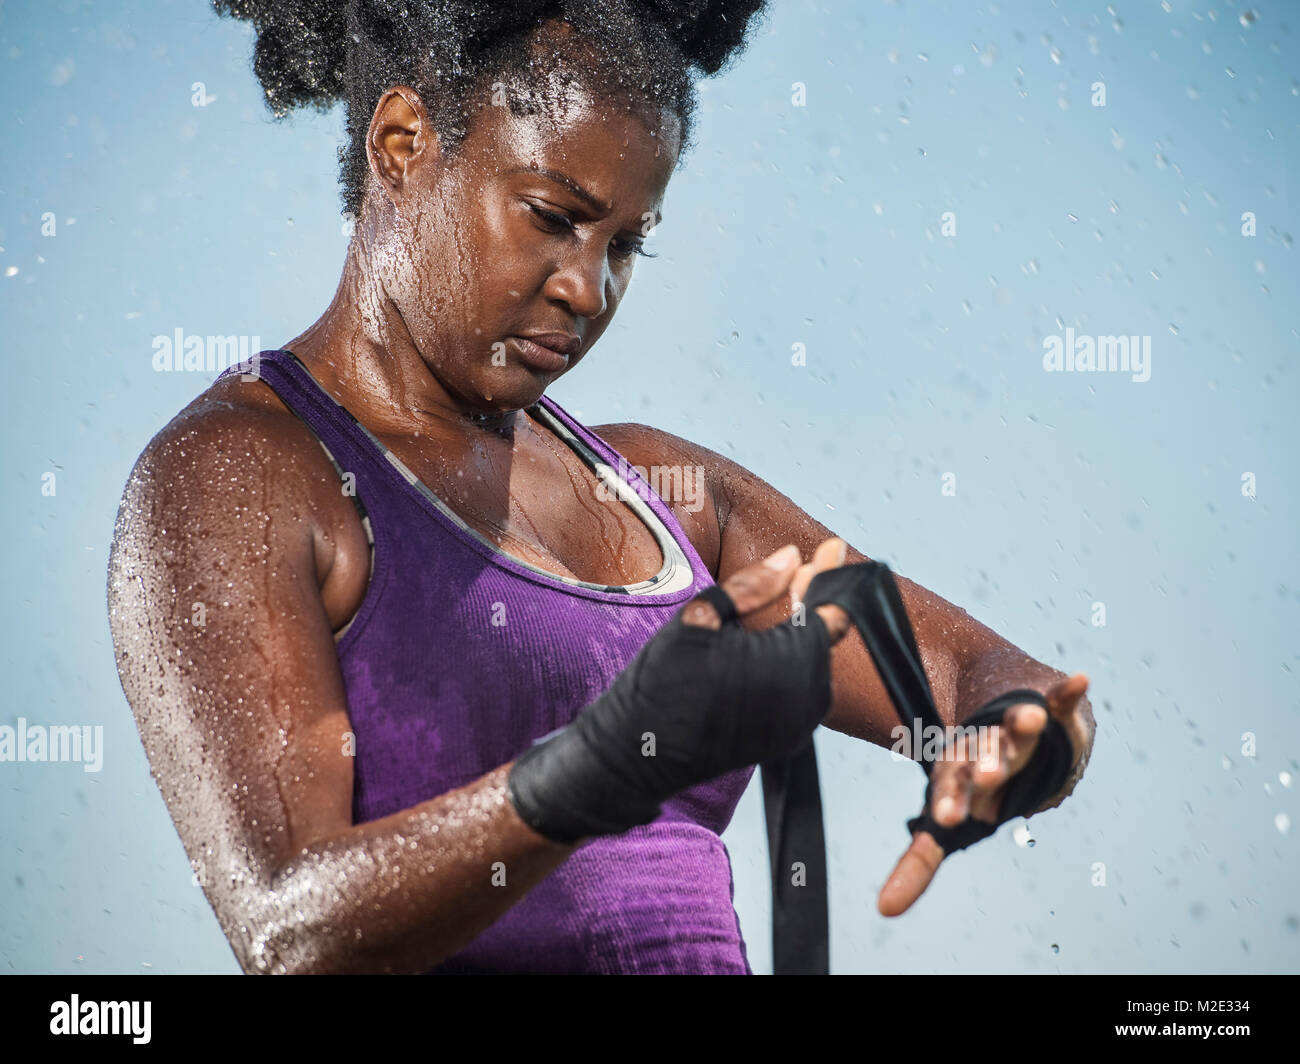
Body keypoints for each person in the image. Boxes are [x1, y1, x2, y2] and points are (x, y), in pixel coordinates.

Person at [106, 0, 1096, 975]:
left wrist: (1021, 738)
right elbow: (288, 928)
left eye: (625, 244)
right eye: (553, 217)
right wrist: (607, 759)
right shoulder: (243, 474)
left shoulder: (666, 494)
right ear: (403, 143)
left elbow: (979, 675)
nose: (588, 288)